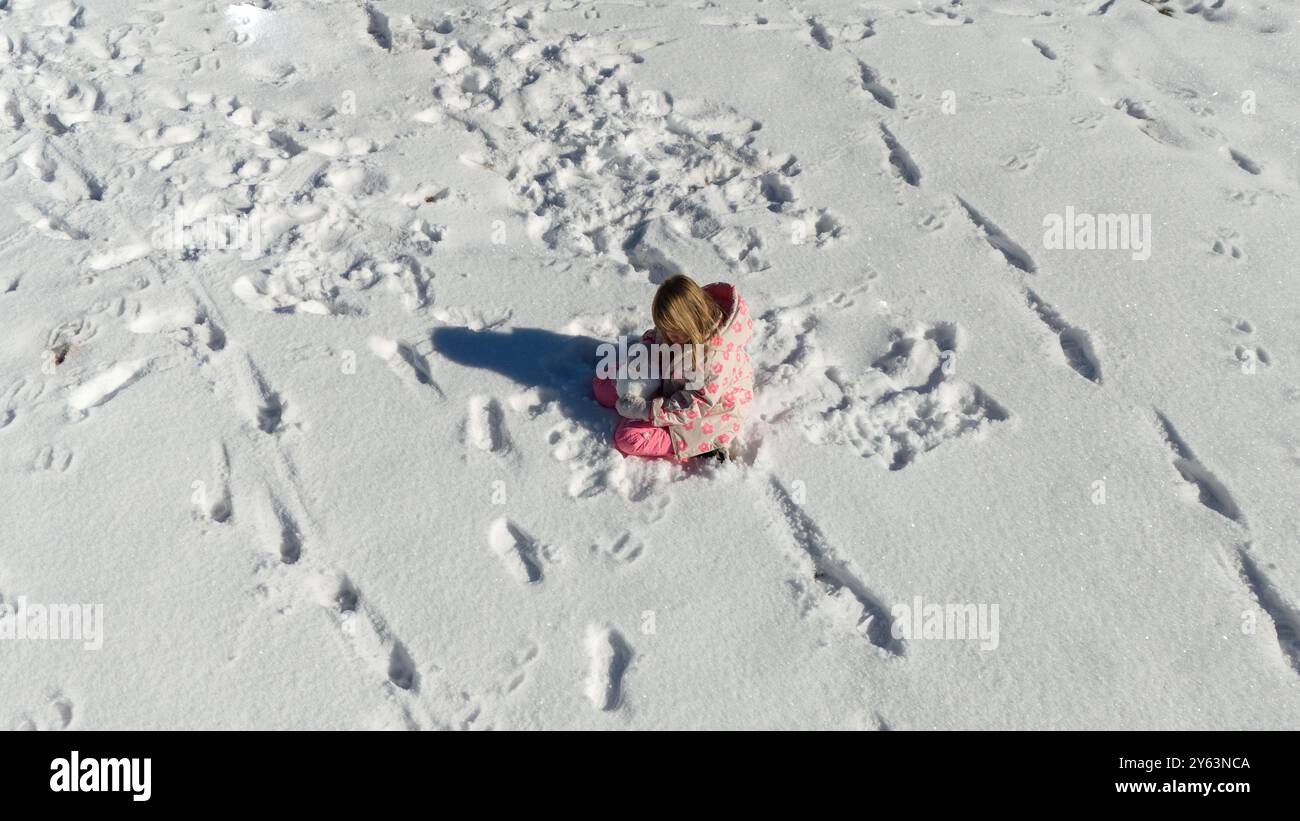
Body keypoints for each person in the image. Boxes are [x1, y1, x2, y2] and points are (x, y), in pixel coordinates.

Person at [591, 274, 754, 460]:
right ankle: (649, 406)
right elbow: (657, 334)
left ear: (692, 321)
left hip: (705, 414)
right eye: (664, 327)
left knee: (628, 438)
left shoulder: (714, 360)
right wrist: (646, 346)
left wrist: (645, 410)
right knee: (602, 384)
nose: (667, 335)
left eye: (673, 331)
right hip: (673, 378)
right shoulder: (678, 327)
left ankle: (703, 448)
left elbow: (693, 405)